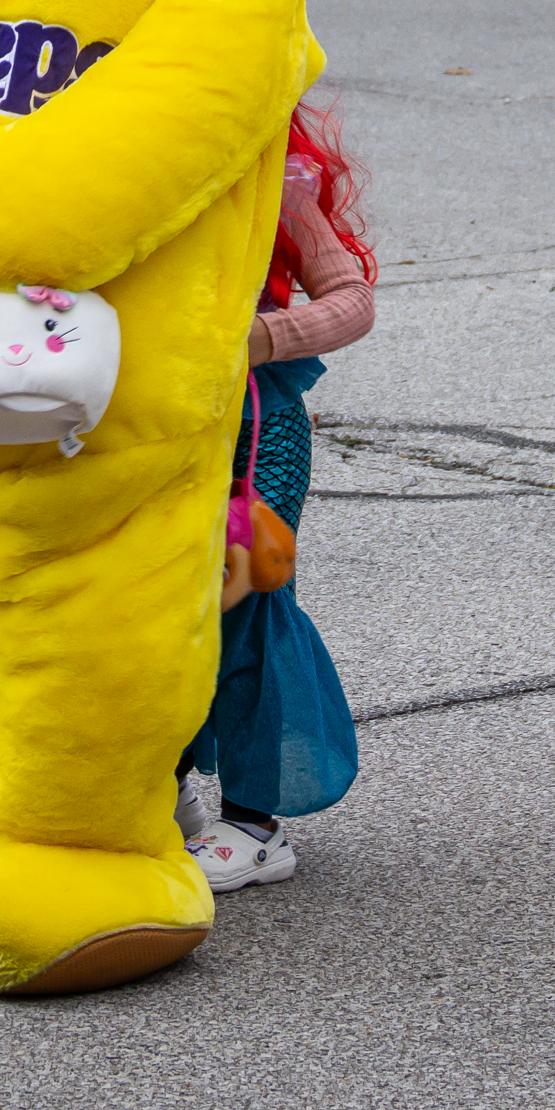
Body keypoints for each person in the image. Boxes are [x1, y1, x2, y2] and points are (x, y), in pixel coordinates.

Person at [175, 106, 374, 892]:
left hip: (256, 430)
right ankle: (172, 793)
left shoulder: (275, 170)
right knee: (158, 608)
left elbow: (351, 298)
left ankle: (254, 824)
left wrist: (261, 339)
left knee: (246, 600)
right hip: (155, 425)